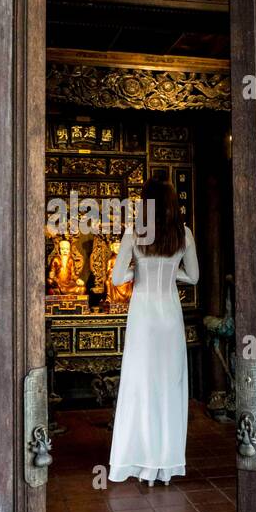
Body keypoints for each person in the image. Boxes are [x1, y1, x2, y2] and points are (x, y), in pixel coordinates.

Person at [107, 177, 199, 484]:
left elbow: (118, 278)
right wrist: (171, 271)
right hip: (170, 315)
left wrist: (140, 269)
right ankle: (166, 465)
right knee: (169, 387)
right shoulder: (183, 233)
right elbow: (195, 277)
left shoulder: (134, 233)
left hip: (143, 316)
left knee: (140, 385)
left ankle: (140, 461)